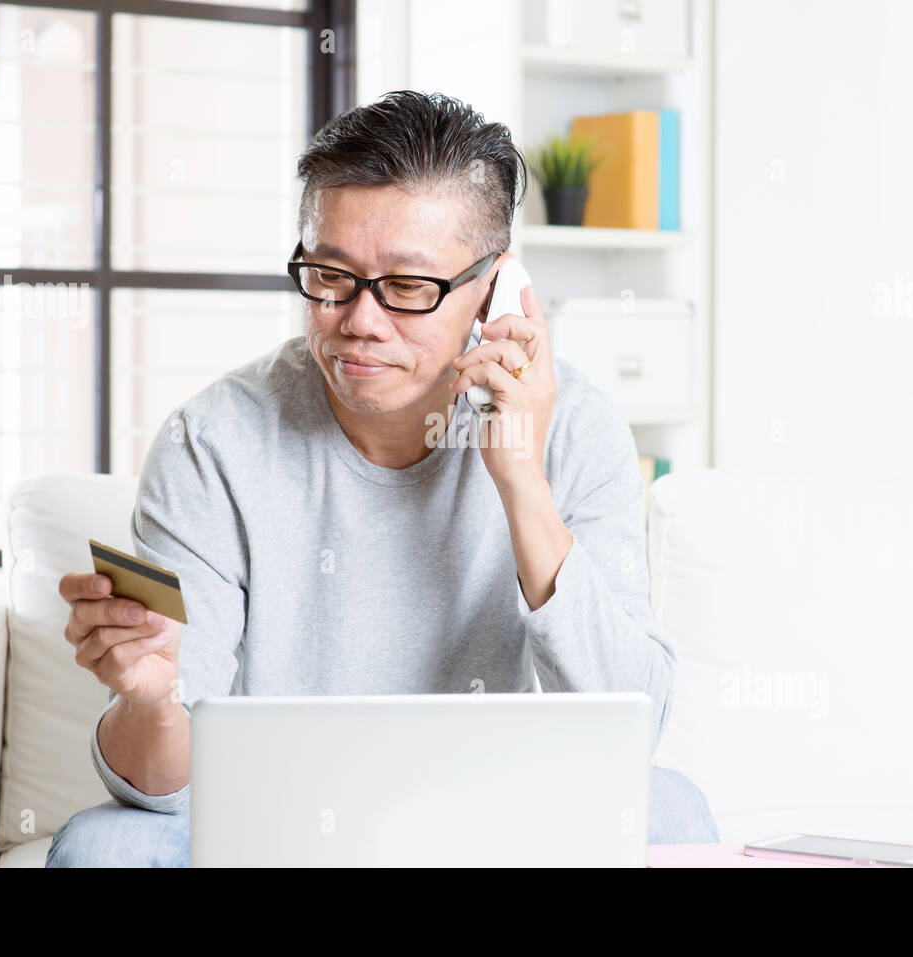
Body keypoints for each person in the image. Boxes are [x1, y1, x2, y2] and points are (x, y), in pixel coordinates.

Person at [48, 90, 718, 867]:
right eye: (330, 276)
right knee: (107, 846)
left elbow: (633, 729)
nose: (360, 320)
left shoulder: (575, 427)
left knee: (673, 808)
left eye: (406, 287)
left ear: (494, 290)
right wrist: (150, 696)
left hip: (493, 824)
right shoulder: (213, 441)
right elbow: (158, 789)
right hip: (274, 830)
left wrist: (521, 480)